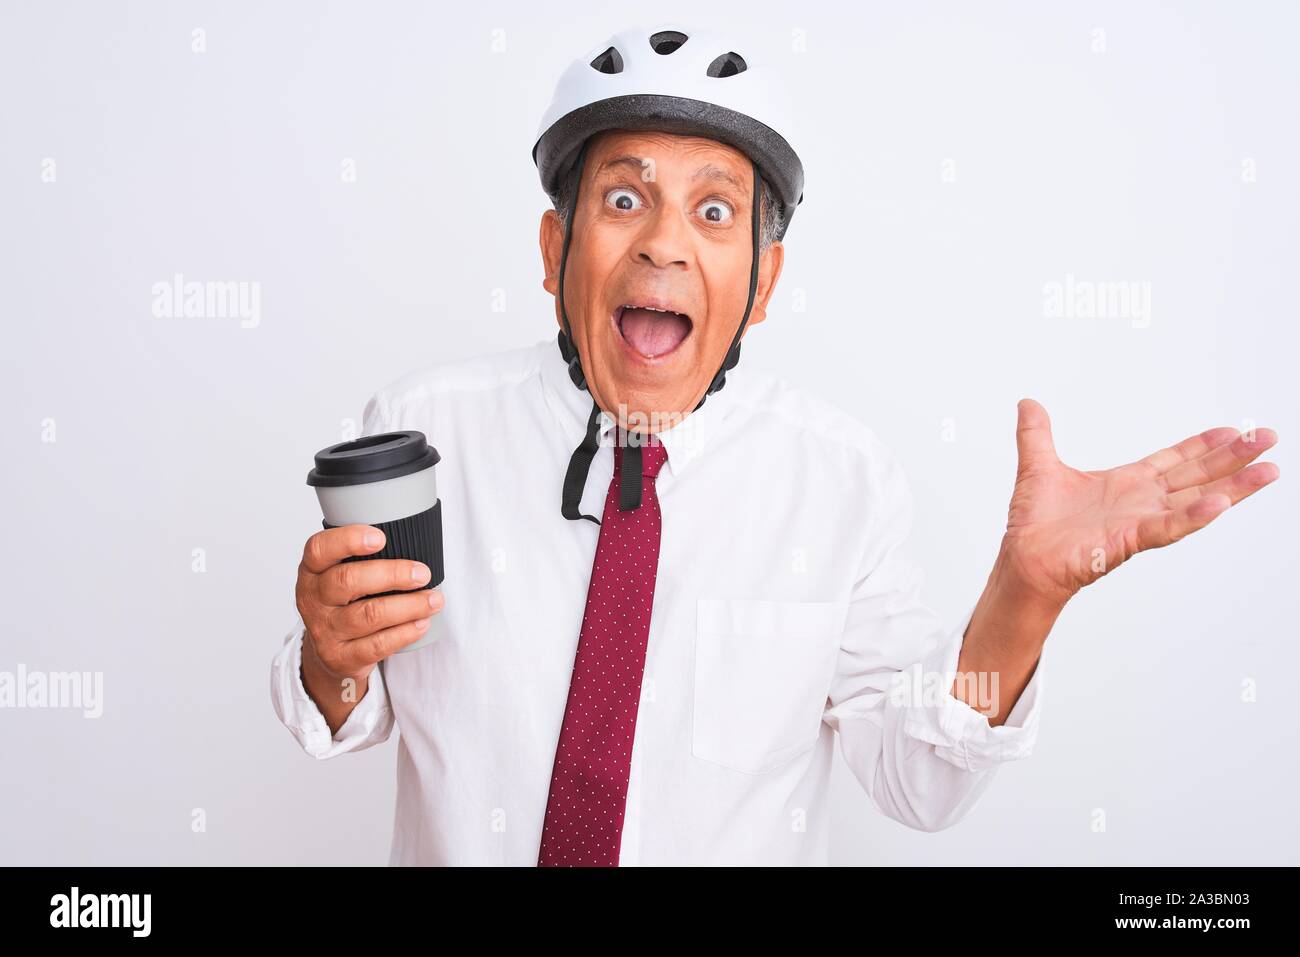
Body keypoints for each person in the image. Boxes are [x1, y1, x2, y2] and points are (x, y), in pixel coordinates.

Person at [270, 24, 1280, 866]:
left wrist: (1025, 597)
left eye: (715, 212)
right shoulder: (421, 432)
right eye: (624, 199)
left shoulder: (837, 479)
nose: (664, 243)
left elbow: (917, 780)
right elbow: (343, 712)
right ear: (554, 250)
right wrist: (331, 655)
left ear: (761, 281)